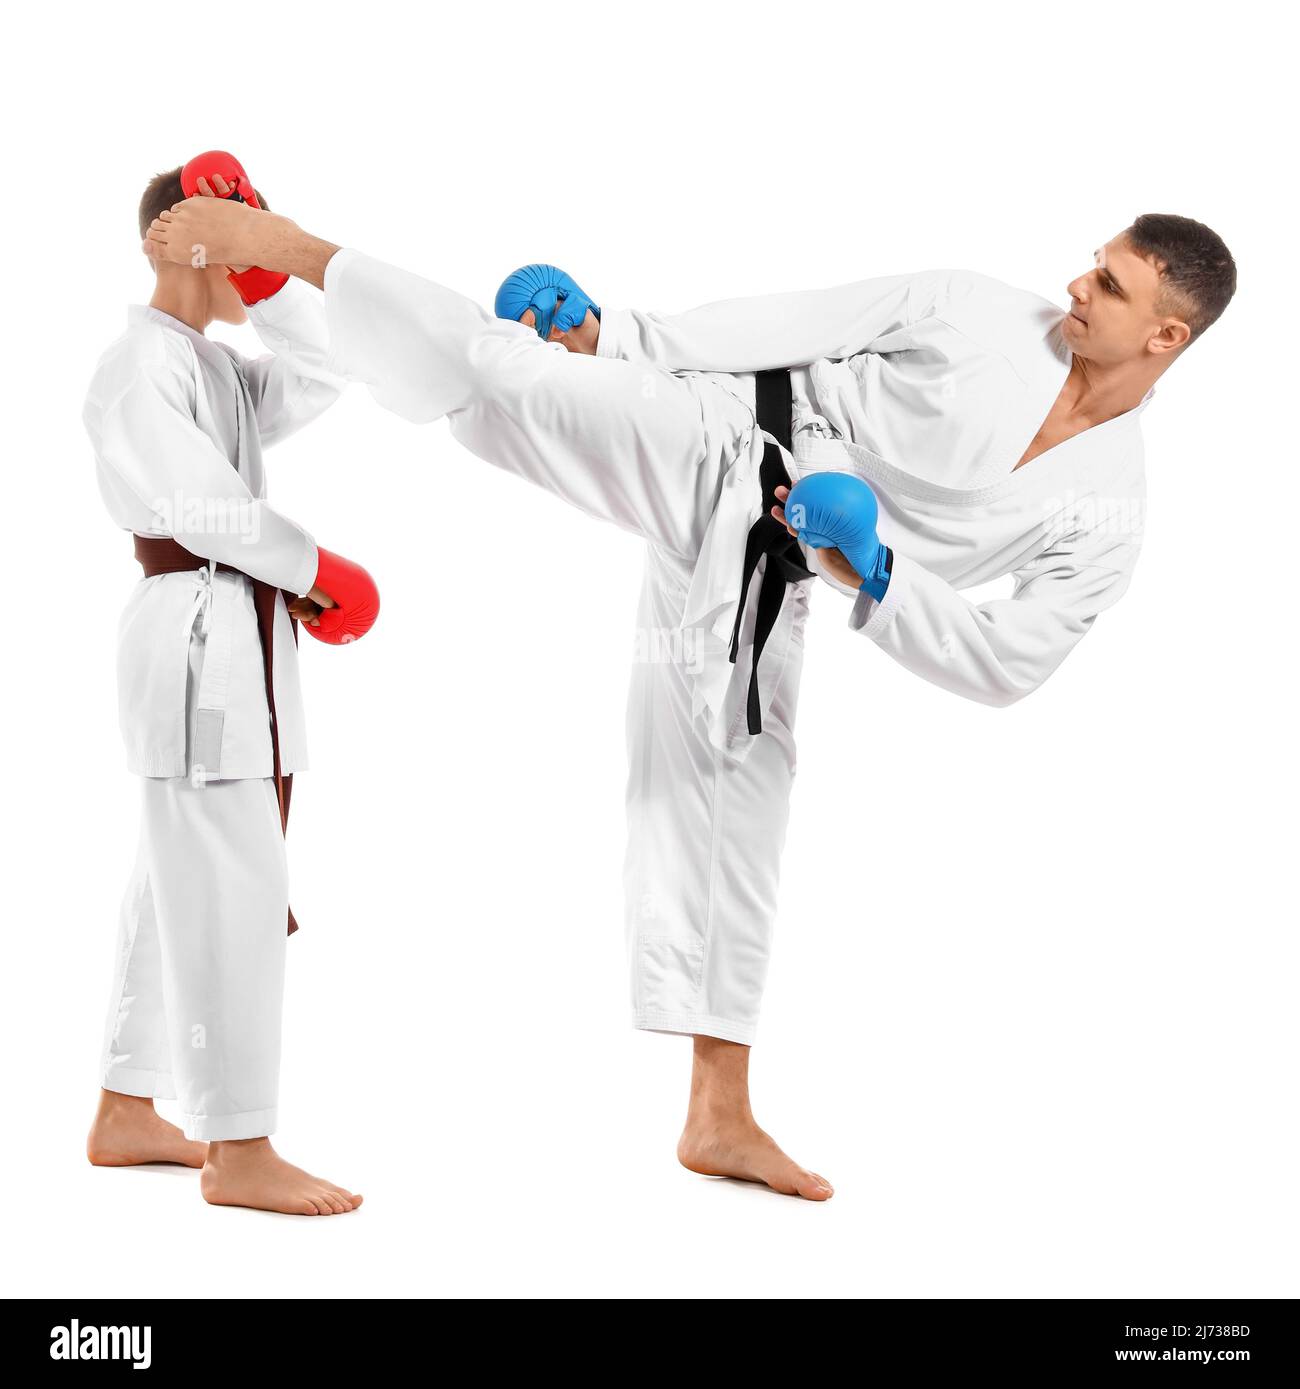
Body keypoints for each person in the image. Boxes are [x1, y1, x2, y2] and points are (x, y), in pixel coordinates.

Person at [146, 194, 1234, 1201]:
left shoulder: (1107, 511)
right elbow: (796, 321)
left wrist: (878, 574)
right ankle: (288, 259)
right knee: (506, 378)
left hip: (780, 566)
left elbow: (1013, 663)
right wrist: (611, 337)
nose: (1077, 286)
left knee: (731, 794)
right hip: (720, 437)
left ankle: (720, 1115)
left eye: (1111, 285)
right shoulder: (980, 309)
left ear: (1164, 339)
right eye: (1094, 264)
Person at [85, 156, 377, 1216]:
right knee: (230, 887)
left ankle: (127, 1105)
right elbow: (208, 511)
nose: (251, 253)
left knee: (176, 877)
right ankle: (240, 1145)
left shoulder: (210, 367)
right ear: (185, 241)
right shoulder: (137, 368)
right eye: (234, 236)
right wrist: (317, 569)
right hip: (198, 635)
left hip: (228, 633)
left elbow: (333, 370)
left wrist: (267, 278)